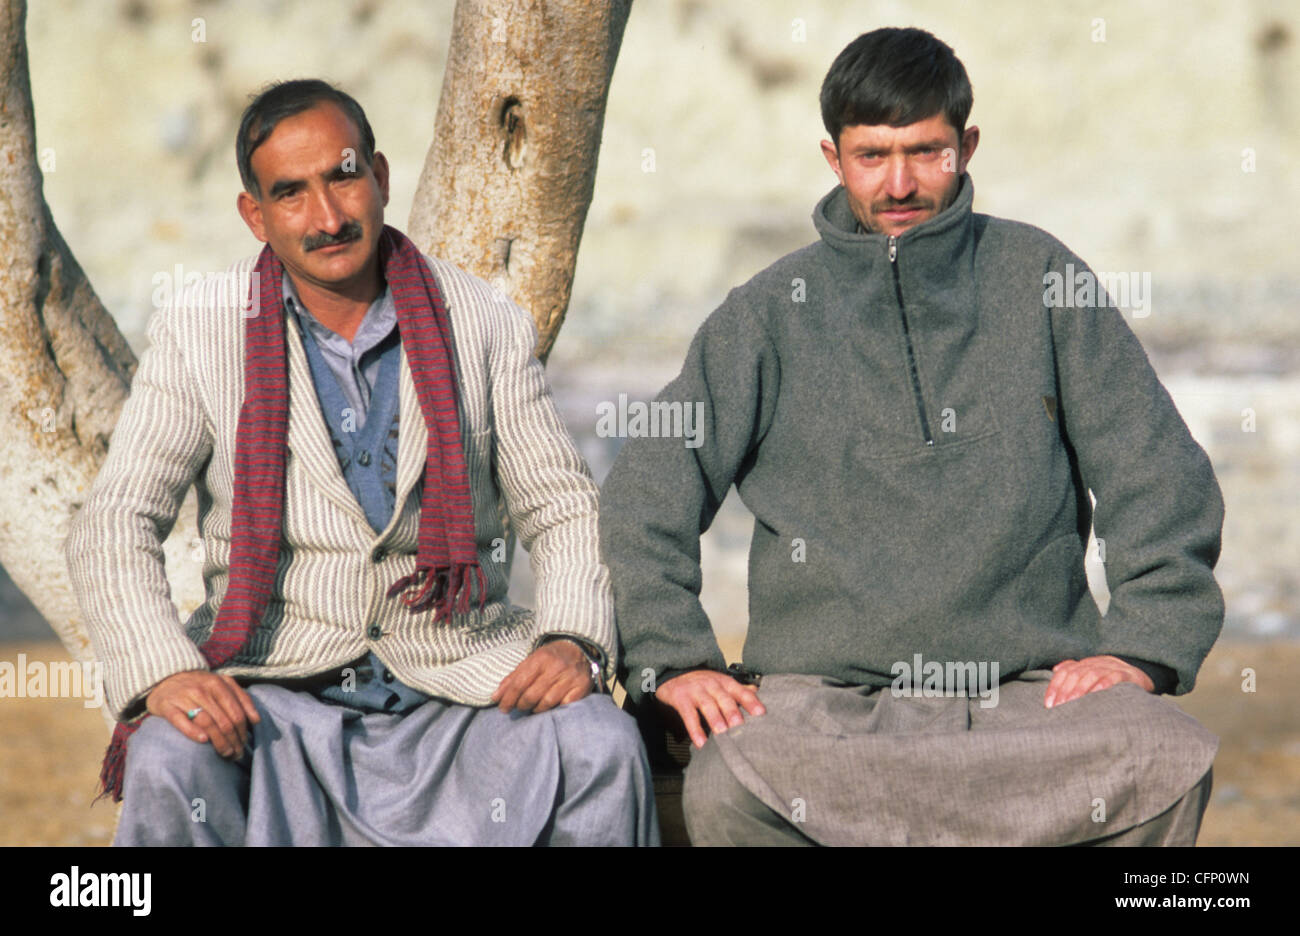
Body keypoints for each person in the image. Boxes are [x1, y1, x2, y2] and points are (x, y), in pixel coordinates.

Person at [599, 27, 1222, 846]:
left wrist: (1142, 646)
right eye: (872, 156)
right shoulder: (767, 312)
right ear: (833, 158)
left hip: (1030, 699)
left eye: (926, 152)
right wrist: (676, 659)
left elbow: (1160, 479)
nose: (899, 183)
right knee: (726, 789)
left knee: (1166, 760)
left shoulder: (1042, 279)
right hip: (825, 707)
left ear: (965, 146)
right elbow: (646, 493)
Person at [64, 79, 657, 846]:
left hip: (464, 690)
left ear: (379, 175)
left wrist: (573, 639)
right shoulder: (200, 328)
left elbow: (562, 504)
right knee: (171, 757)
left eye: (343, 176)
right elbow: (115, 519)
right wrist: (165, 672)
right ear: (256, 217)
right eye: (291, 194)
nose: (328, 216)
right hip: (274, 697)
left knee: (599, 745)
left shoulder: (481, 320)